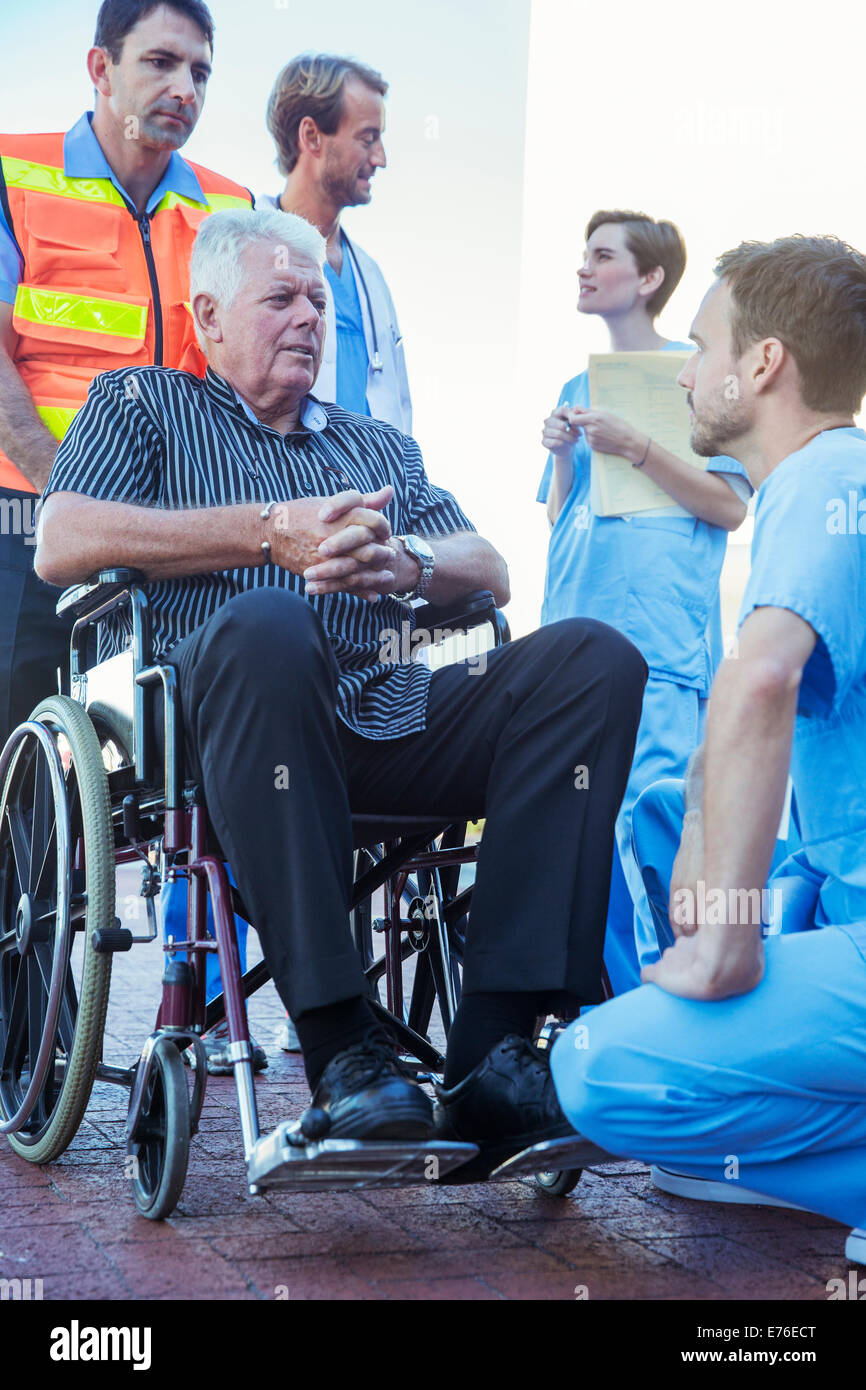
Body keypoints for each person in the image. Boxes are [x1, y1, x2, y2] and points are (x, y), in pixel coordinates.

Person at [35, 207, 646, 1168]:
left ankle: (495, 1055)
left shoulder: (376, 447)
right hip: (213, 723)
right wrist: (266, 534)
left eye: (319, 299)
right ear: (209, 317)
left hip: (377, 708)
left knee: (592, 659)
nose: (308, 318)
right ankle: (342, 1049)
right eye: (280, 297)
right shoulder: (139, 403)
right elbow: (60, 542)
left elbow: (490, 567)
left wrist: (405, 563)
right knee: (272, 624)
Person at [551, 233, 866, 1266]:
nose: (683, 372)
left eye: (699, 346)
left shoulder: (827, 473)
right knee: (690, 1142)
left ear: (762, 363)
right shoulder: (827, 485)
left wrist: (728, 927)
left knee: (595, 1067)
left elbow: (759, 677)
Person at [0, 0, 254, 1067]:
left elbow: (239, 374)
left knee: (172, 768)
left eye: (200, 68)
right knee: (16, 771)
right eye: (160, 62)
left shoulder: (231, 204)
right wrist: (73, 495)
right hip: (26, 517)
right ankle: (22, 1018)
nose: (182, 88)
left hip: (165, 536)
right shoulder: (16, 171)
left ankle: (187, 1000)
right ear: (100, 66)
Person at [537, 210, 751, 994]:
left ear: (650, 277)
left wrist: (640, 448)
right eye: (582, 253)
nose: (584, 268)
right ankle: (602, 1017)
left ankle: (667, 1012)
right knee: (578, 840)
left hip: (657, 651)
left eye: (602, 255)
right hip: (573, 643)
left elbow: (730, 508)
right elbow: (561, 520)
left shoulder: (696, 380)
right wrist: (562, 458)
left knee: (646, 831)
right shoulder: (573, 386)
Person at [259, 52, 410, 432]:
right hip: (284, 484)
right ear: (311, 136)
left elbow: (396, 406)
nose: (382, 158)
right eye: (367, 138)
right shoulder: (249, 248)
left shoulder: (370, 275)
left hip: (376, 486)